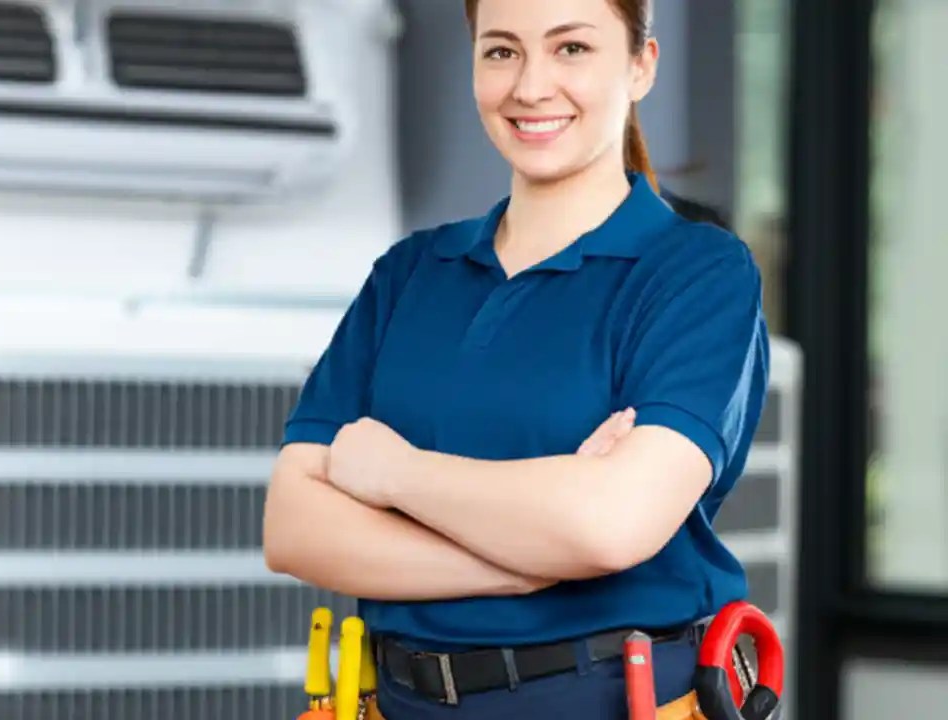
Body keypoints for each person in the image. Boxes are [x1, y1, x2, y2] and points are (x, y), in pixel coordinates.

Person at [262, 0, 770, 717]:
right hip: (395, 701)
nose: (530, 86)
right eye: (501, 51)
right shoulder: (411, 273)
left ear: (640, 66)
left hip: (607, 700)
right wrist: (524, 565)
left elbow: (612, 524)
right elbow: (294, 528)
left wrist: (391, 472)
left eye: (571, 50)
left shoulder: (697, 271)